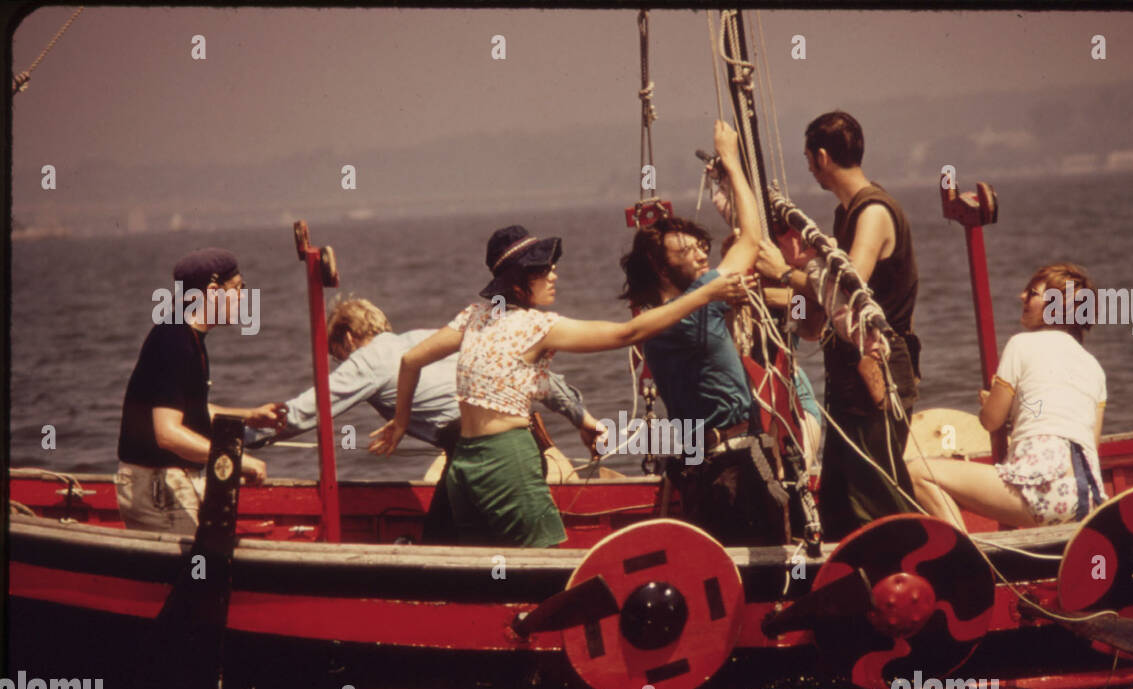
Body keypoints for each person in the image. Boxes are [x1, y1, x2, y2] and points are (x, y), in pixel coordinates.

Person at [370, 177, 747, 545]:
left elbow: (411, 360)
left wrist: (400, 422)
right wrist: (703, 294)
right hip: (507, 459)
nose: (554, 274)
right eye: (542, 269)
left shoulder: (475, 316)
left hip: (464, 463)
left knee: (482, 564)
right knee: (546, 566)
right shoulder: (540, 326)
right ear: (519, 280)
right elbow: (627, 334)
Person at [247, 295, 606, 542]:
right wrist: (583, 418)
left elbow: (305, 412)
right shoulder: (428, 340)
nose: (341, 364)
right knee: (479, 542)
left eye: (337, 355)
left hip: (478, 454)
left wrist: (239, 438)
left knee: (441, 543)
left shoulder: (367, 359)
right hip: (521, 448)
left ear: (348, 338)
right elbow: (531, 376)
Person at [619, 122, 789, 544]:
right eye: (685, 251)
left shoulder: (656, 316)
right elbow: (752, 238)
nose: (700, 257)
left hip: (702, 465)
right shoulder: (698, 300)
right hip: (735, 461)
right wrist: (731, 159)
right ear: (661, 268)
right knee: (768, 558)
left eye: (700, 249)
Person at [755, 110, 921, 540]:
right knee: (841, 494)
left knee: (876, 490)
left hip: (878, 365)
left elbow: (852, 286)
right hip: (847, 370)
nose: (809, 168)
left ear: (822, 157)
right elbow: (820, 308)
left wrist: (785, 271)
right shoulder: (842, 216)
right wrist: (774, 298)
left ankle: (919, 561)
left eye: (809, 159)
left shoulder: (873, 213)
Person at [908, 263, 1107, 530]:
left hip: (1043, 494)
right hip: (1089, 500)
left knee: (918, 473)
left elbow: (991, 421)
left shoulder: (1021, 344)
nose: (1022, 297)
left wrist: (989, 404)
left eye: (1033, 293)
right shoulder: (1094, 368)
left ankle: (965, 559)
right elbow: (1089, 443)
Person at [116, 247, 285, 533]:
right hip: (159, 489)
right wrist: (236, 460)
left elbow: (184, 409)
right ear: (212, 291)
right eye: (238, 288)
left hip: (168, 482)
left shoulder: (185, 335)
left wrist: (248, 416)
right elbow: (168, 433)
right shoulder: (175, 343)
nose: (244, 296)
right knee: (198, 574)